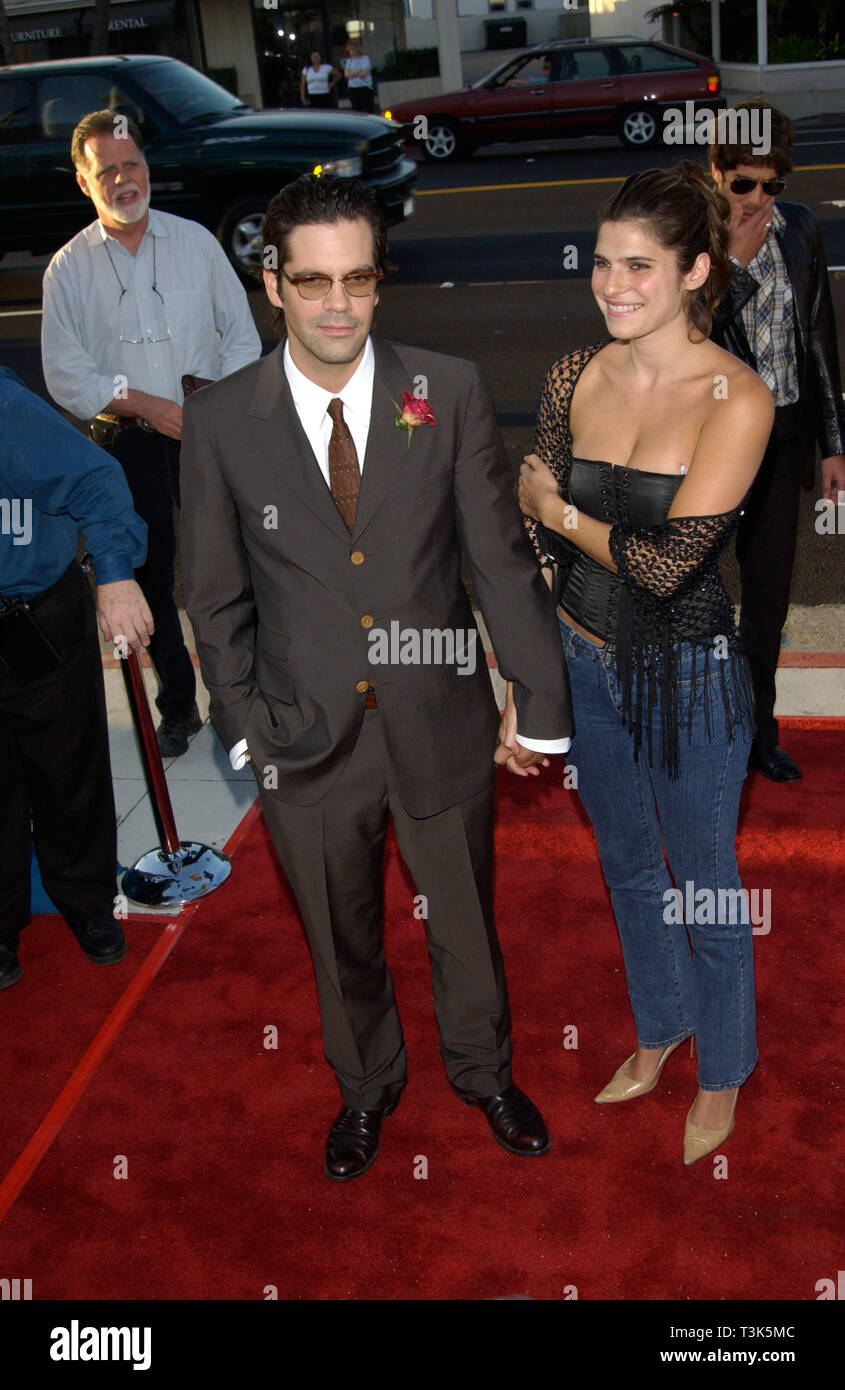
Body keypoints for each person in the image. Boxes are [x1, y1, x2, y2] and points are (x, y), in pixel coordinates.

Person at [180, 174, 573, 1181]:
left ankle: (484, 1072)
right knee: (337, 930)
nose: (338, 304)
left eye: (357, 278)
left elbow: (496, 557)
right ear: (272, 285)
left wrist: (539, 702)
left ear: (379, 281)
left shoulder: (441, 390)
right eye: (312, 281)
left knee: (464, 920)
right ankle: (365, 1087)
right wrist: (245, 724)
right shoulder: (222, 421)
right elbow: (214, 595)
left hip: (438, 717)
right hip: (302, 738)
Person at [518, 164, 774, 1165]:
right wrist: (541, 640)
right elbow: (536, 529)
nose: (611, 283)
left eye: (638, 265)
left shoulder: (736, 397)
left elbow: (669, 565)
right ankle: (661, 1027)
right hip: (585, 663)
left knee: (703, 881)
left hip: (686, 676)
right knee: (625, 866)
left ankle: (723, 1071)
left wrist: (557, 514)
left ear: (693, 270)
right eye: (600, 260)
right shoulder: (574, 373)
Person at [41, 109, 261, 757]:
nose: (122, 179)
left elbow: (241, 337)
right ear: (85, 183)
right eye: (105, 170)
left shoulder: (194, 241)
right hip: (127, 445)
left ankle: (236, 702)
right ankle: (176, 706)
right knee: (146, 576)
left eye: (130, 164)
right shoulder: (68, 269)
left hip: (207, 434)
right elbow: (65, 374)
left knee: (227, 575)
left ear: (147, 167)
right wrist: (142, 403)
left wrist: (212, 409)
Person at [0, 366, 151, 990]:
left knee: (68, 775)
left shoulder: (4, 406)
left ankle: (88, 905)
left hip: (32, 616)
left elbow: (95, 479)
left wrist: (114, 575)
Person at [709, 100, 845, 783]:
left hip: (783, 441)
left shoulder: (798, 230)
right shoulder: (688, 241)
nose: (758, 200)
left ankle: (759, 733)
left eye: (772, 186)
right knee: (689, 601)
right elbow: (675, 342)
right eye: (743, 185)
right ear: (716, 173)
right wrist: (728, 263)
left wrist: (832, 443)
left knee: (766, 602)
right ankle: (692, 728)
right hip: (708, 451)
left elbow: (818, 337)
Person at [343, 39, 375, 113]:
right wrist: (357, 71)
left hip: (365, 87)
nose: (350, 52)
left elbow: (364, 73)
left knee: (368, 109)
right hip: (353, 89)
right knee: (356, 110)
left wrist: (352, 73)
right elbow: (346, 75)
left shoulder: (365, 59)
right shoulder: (349, 61)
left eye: (351, 50)